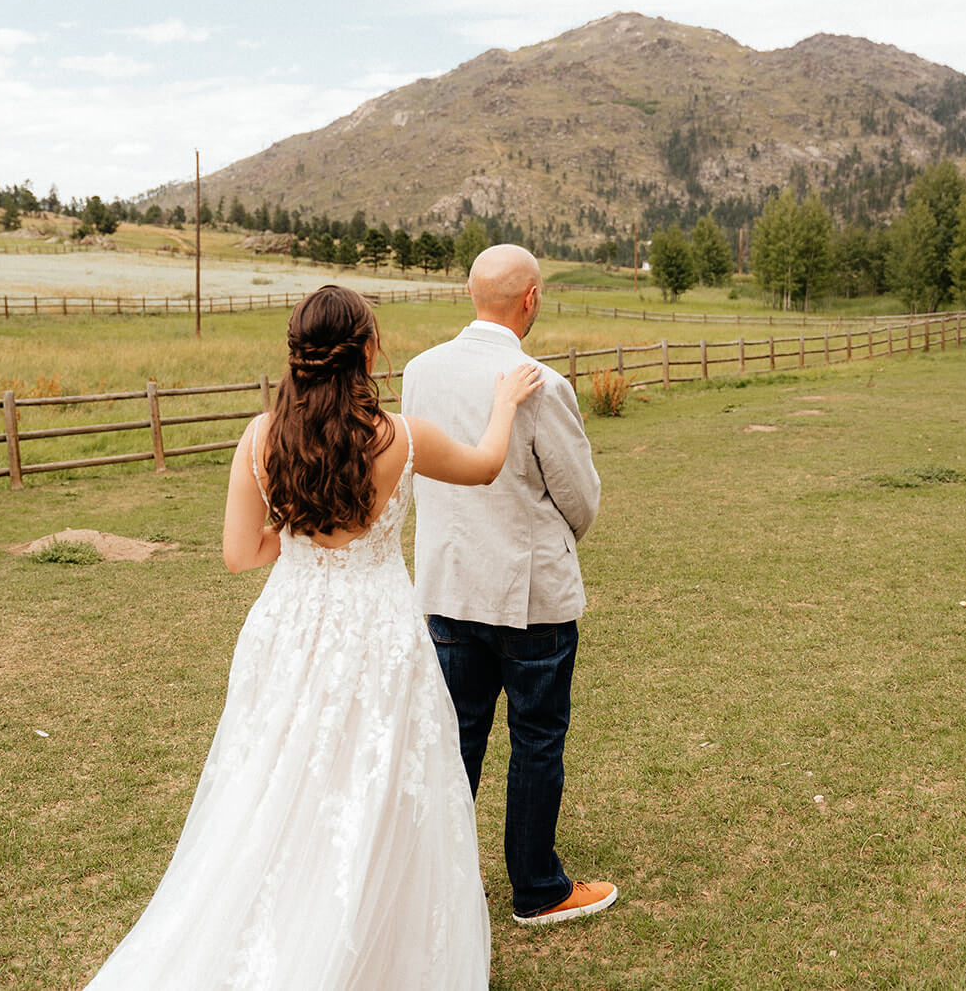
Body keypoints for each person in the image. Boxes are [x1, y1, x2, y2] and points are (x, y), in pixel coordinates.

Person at [84, 284, 543, 990]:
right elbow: (485, 464)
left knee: (277, 778)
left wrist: (296, 529)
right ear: (366, 349)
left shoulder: (261, 437)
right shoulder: (400, 436)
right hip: (375, 627)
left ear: (297, 354)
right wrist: (506, 402)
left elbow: (241, 553)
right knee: (378, 782)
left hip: (290, 625)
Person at [401, 243, 616, 927]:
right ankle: (536, 886)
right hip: (529, 595)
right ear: (530, 299)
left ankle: (439, 886)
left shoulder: (420, 371)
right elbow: (580, 497)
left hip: (446, 585)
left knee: (456, 738)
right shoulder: (539, 381)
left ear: (474, 295)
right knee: (536, 735)